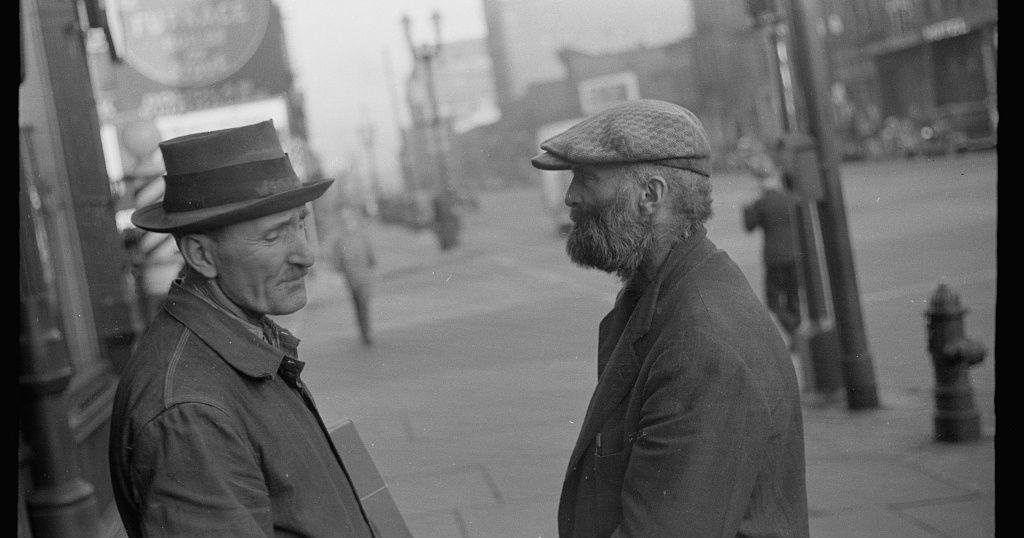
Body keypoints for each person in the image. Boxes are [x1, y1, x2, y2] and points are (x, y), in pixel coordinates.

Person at [530, 99, 809, 537]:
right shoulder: (663, 299)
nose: (571, 196)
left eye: (586, 177)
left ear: (650, 196)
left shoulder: (701, 345)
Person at [109, 120, 376, 537]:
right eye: (273, 237)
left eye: (300, 224)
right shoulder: (190, 411)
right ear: (201, 254)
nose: (306, 255)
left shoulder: (240, 340)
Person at [741, 148, 803, 341]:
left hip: (774, 257)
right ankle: (797, 332)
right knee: (794, 298)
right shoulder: (789, 199)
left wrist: (746, 206)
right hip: (794, 254)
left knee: (774, 302)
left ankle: (795, 331)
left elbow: (749, 226)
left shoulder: (762, 202)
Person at [325, 194, 377, 346]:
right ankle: (364, 331)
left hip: (363, 275)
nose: (347, 222)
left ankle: (366, 331)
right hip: (351, 277)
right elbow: (337, 261)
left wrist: (371, 265)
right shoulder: (340, 240)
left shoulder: (362, 235)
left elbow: (370, 255)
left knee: (364, 303)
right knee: (358, 304)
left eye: (349, 218)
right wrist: (339, 271)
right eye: (344, 219)